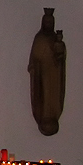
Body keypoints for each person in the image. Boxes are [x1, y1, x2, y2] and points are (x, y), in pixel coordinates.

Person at [27, 8, 66, 136]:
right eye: (47, 22)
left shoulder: (55, 39)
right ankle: (45, 117)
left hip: (54, 74)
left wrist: (60, 49)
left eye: (51, 22)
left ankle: (51, 117)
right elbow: (34, 57)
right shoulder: (39, 38)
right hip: (42, 73)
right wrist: (34, 67)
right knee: (44, 96)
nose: (49, 25)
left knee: (53, 96)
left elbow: (61, 58)